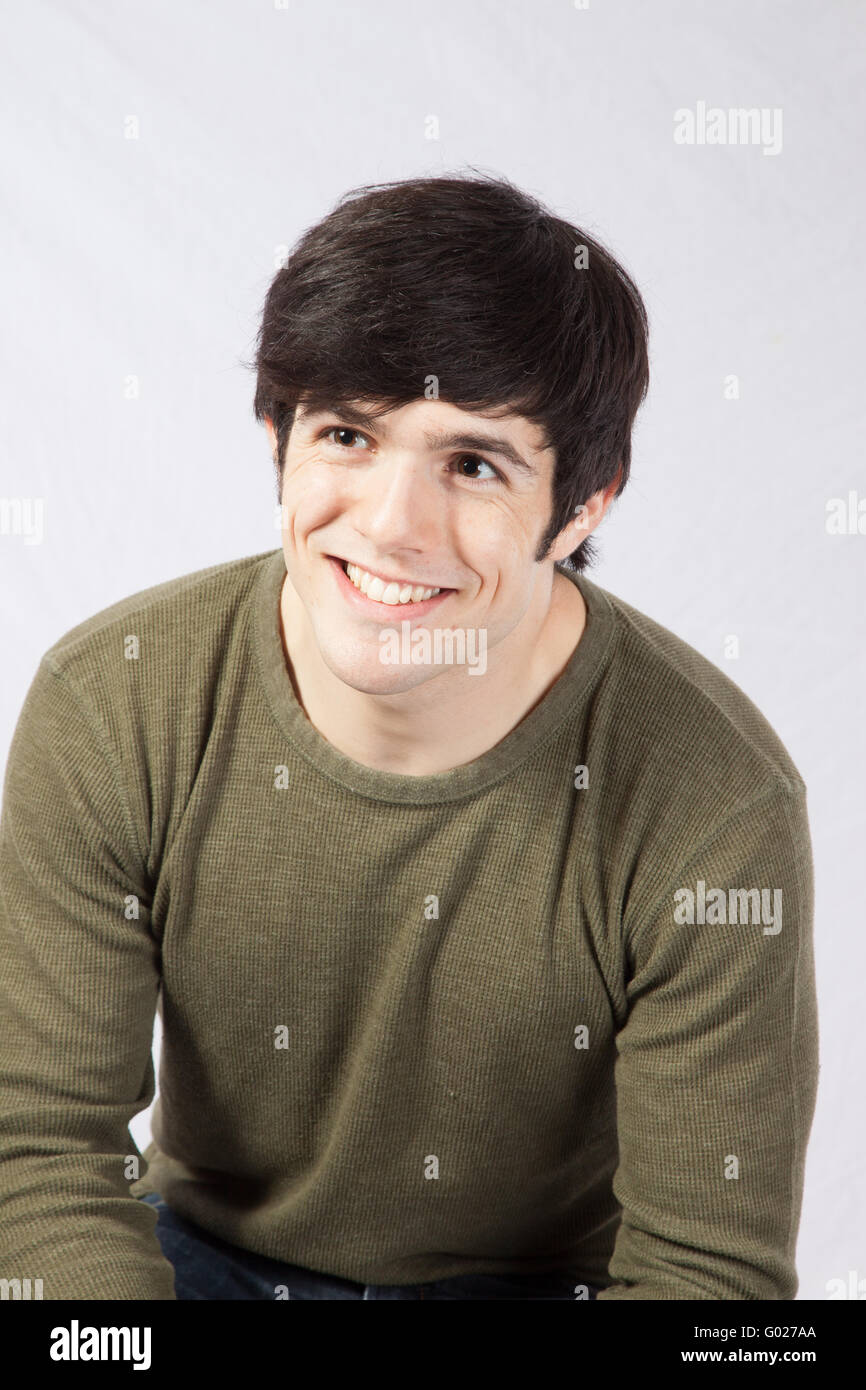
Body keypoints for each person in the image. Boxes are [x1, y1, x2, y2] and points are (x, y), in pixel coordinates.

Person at [0, 172, 818, 1300]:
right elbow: (38, 1154)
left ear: (584, 506)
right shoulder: (114, 701)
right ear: (280, 438)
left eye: (473, 464)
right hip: (191, 1264)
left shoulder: (713, 801)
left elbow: (707, 1282)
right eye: (346, 434)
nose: (390, 526)